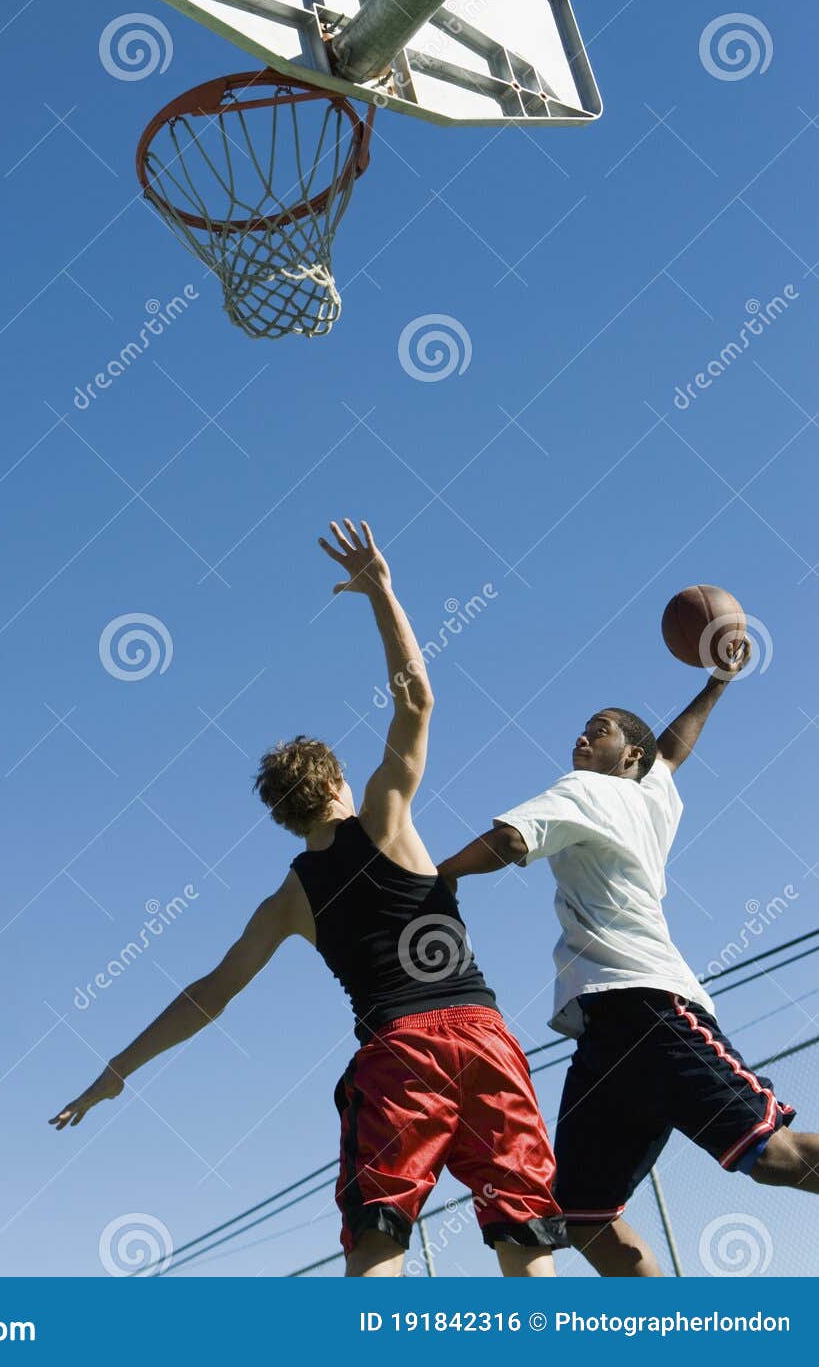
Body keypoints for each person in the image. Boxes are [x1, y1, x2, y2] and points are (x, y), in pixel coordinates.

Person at [51, 519, 565, 1277]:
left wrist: (117, 1071)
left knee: (379, 1237)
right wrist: (382, 595)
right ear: (333, 785)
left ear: (286, 813)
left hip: (400, 1052)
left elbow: (207, 996)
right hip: (484, 1034)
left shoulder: (287, 900)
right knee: (522, 1234)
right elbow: (416, 702)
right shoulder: (385, 817)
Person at [439, 651, 819, 1276]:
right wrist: (716, 684)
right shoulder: (652, 798)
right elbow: (673, 750)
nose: (583, 736)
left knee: (773, 1156)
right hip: (607, 1033)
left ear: (629, 757)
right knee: (582, 1214)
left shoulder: (587, 789)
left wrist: (439, 875)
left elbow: (511, 841)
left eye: (601, 728)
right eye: (585, 727)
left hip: (648, 1005)